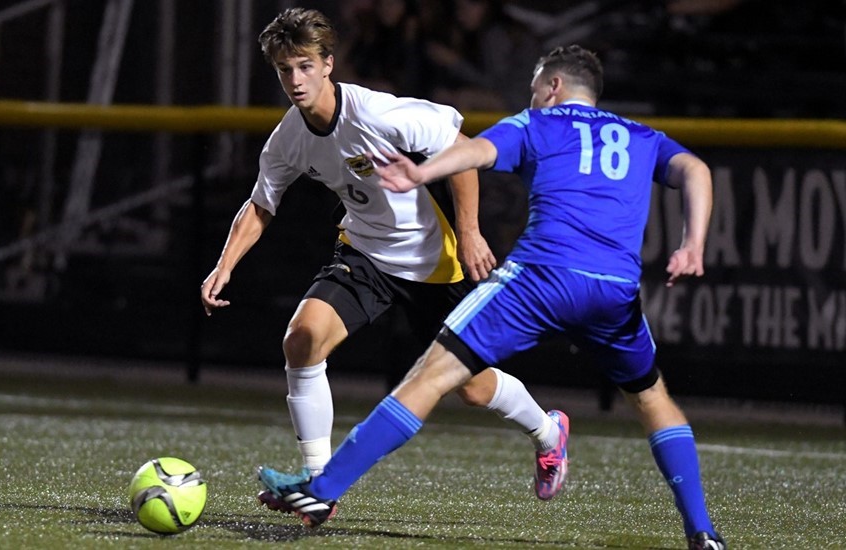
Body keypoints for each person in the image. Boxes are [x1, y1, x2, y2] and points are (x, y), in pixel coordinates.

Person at [257, 45, 726, 550]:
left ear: (553, 88)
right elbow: (695, 170)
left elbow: (476, 151)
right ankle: (702, 531)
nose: (533, 97)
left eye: (534, 90)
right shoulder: (641, 137)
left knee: (428, 376)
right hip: (613, 290)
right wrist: (692, 243)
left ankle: (323, 489)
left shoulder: (538, 124)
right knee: (653, 397)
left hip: (540, 280)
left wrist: (420, 172)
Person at [201, 7, 569, 510]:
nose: (295, 79)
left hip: (434, 265)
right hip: (364, 255)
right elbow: (261, 203)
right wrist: (225, 265)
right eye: (285, 69)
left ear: (329, 63)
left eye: (305, 65)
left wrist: (469, 232)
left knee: (475, 390)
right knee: (302, 339)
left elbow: (461, 149)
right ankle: (317, 487)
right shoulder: (288, 137)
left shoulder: (376, 113)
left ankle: (549, 436)